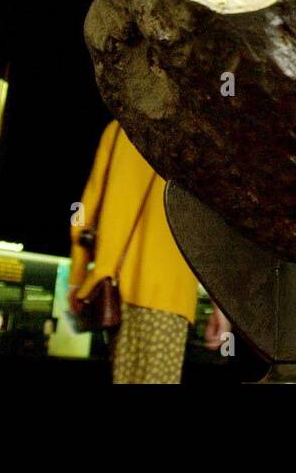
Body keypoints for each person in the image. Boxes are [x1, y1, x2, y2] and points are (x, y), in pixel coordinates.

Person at [69, 120, 199, 384]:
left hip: (116, 288)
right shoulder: (195, 133)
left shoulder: (118, 129)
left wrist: (78, 276)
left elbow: (83, 212)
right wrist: (222, 307)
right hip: (171, 291)